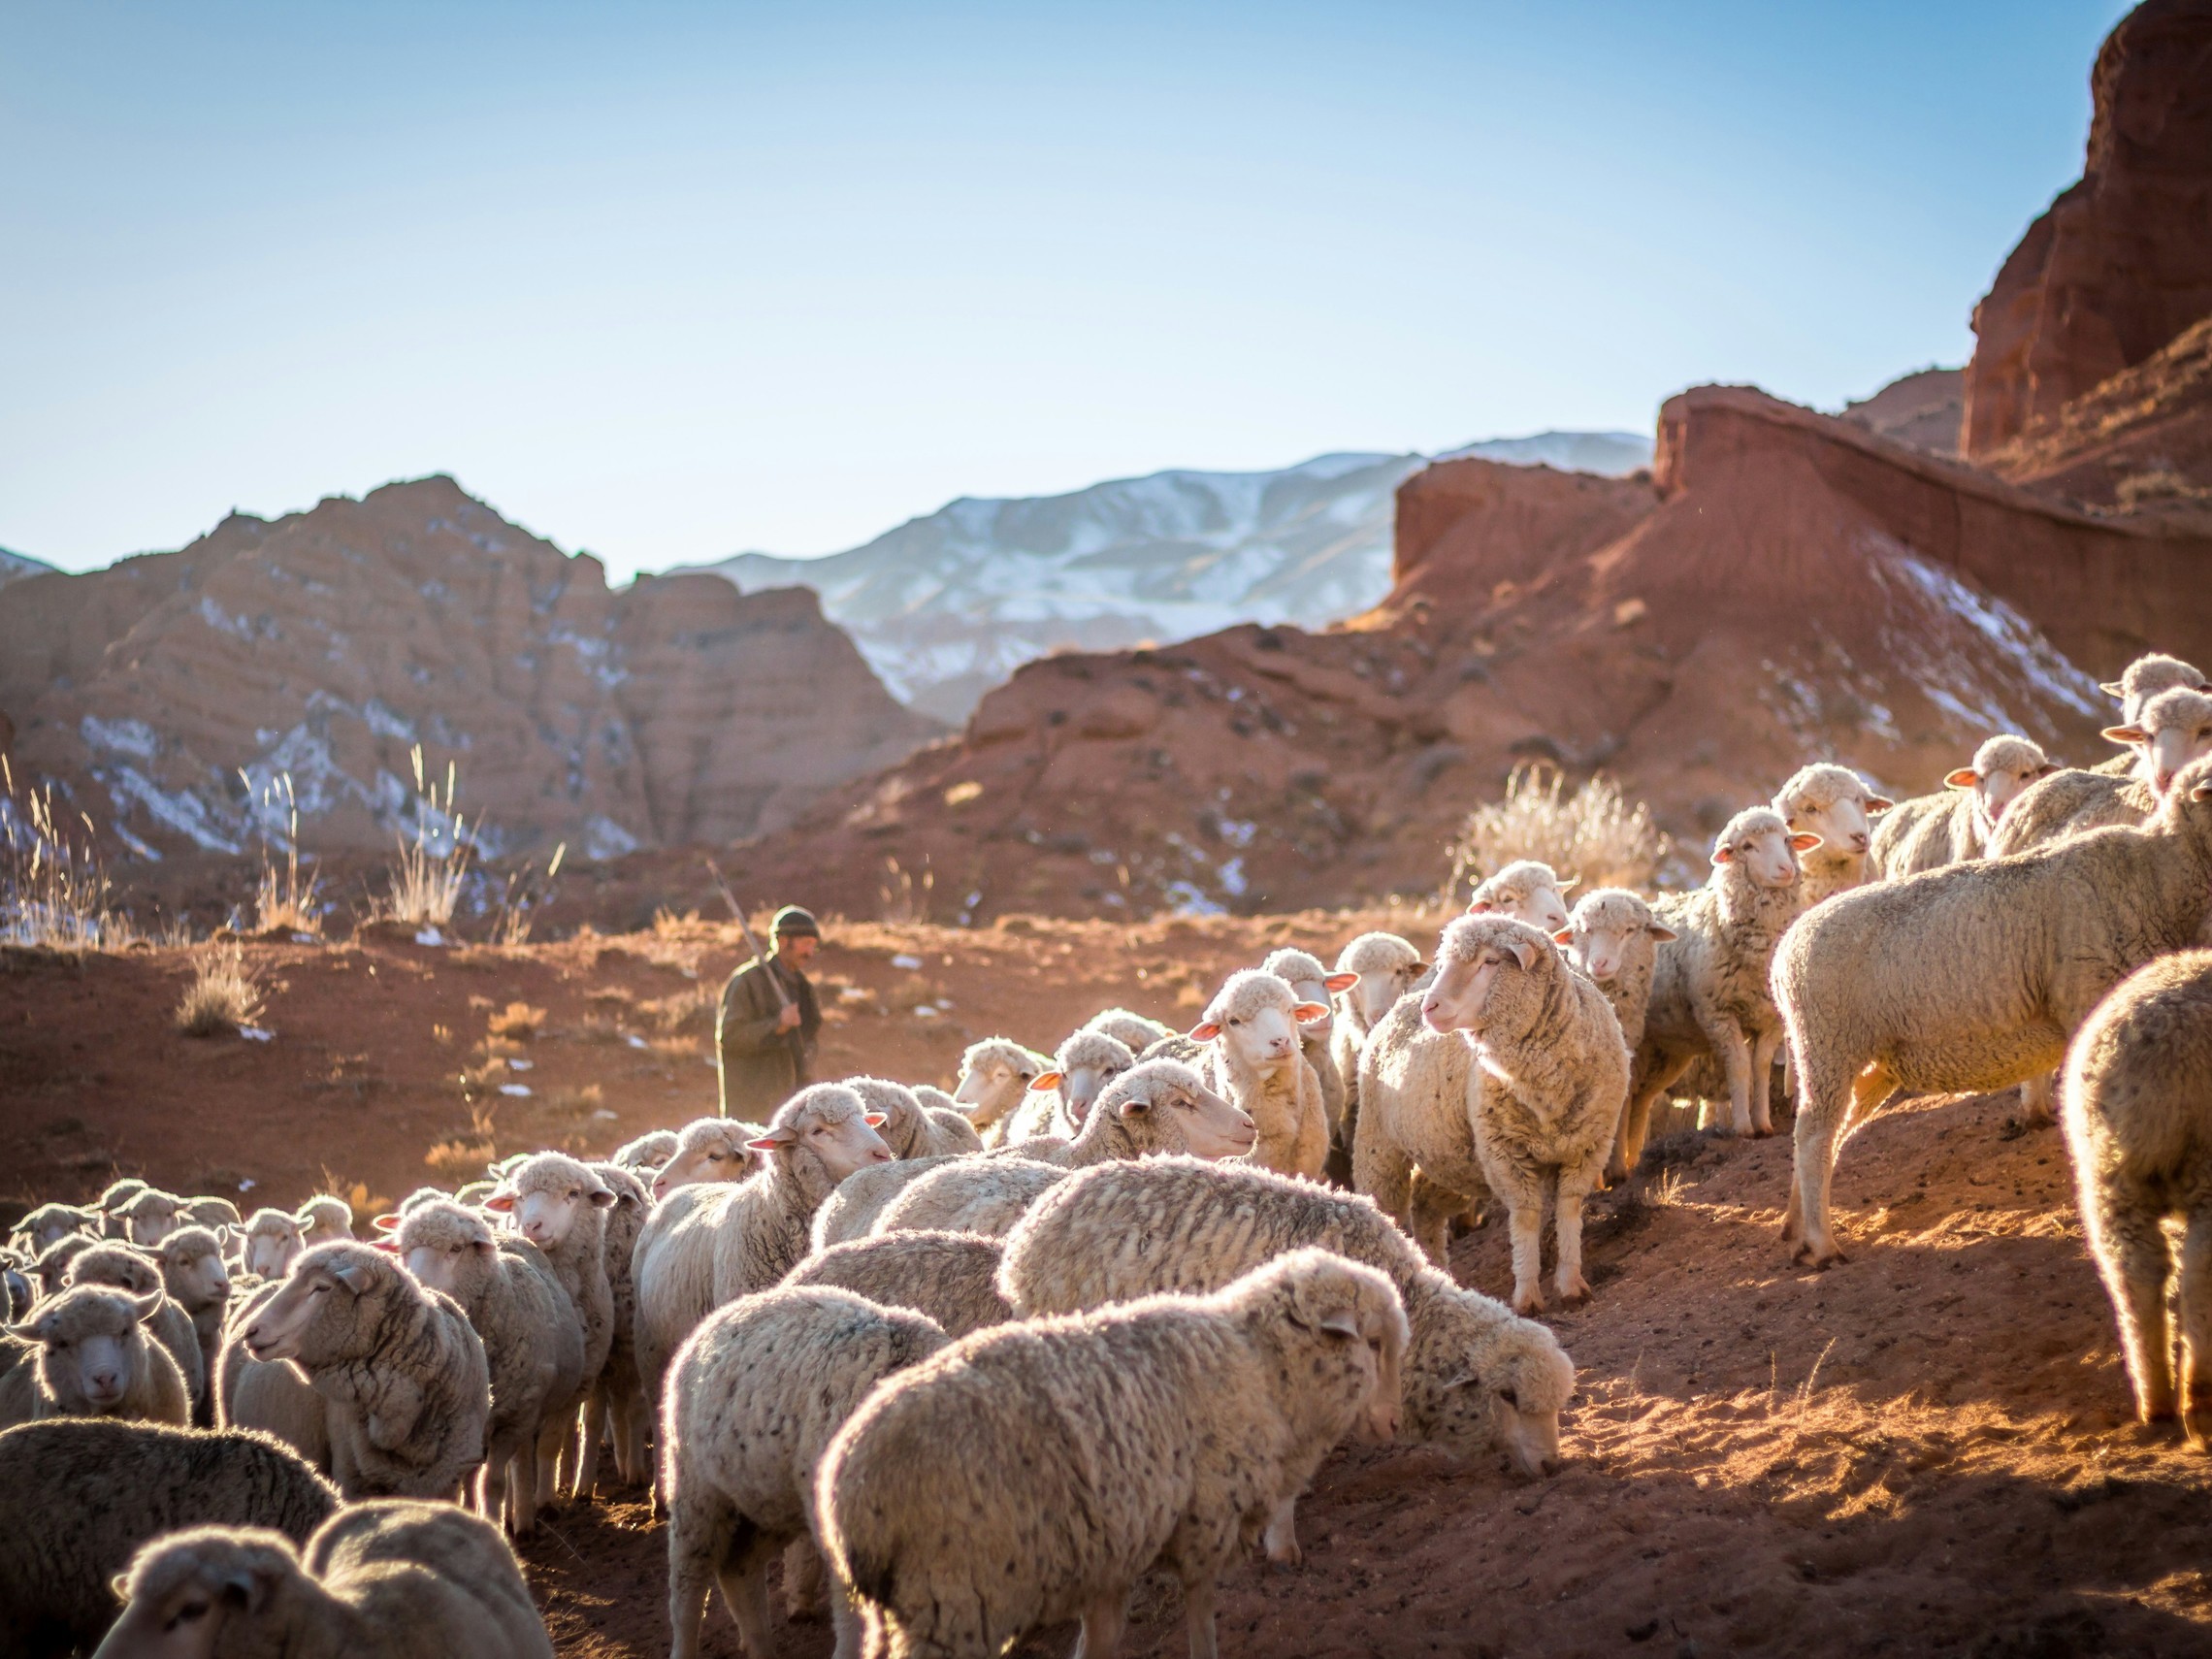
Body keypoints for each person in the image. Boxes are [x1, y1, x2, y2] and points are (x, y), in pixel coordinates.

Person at [714, 905, 824, 1121]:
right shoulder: (747, 982)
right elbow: (730, 1037)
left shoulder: (804, 988)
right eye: (805, 944)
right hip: (752, 1109)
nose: (810, 953)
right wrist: (778, 1025)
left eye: (813, 945)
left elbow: (810, 1040)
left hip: (794, 1109)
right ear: (783, 941)